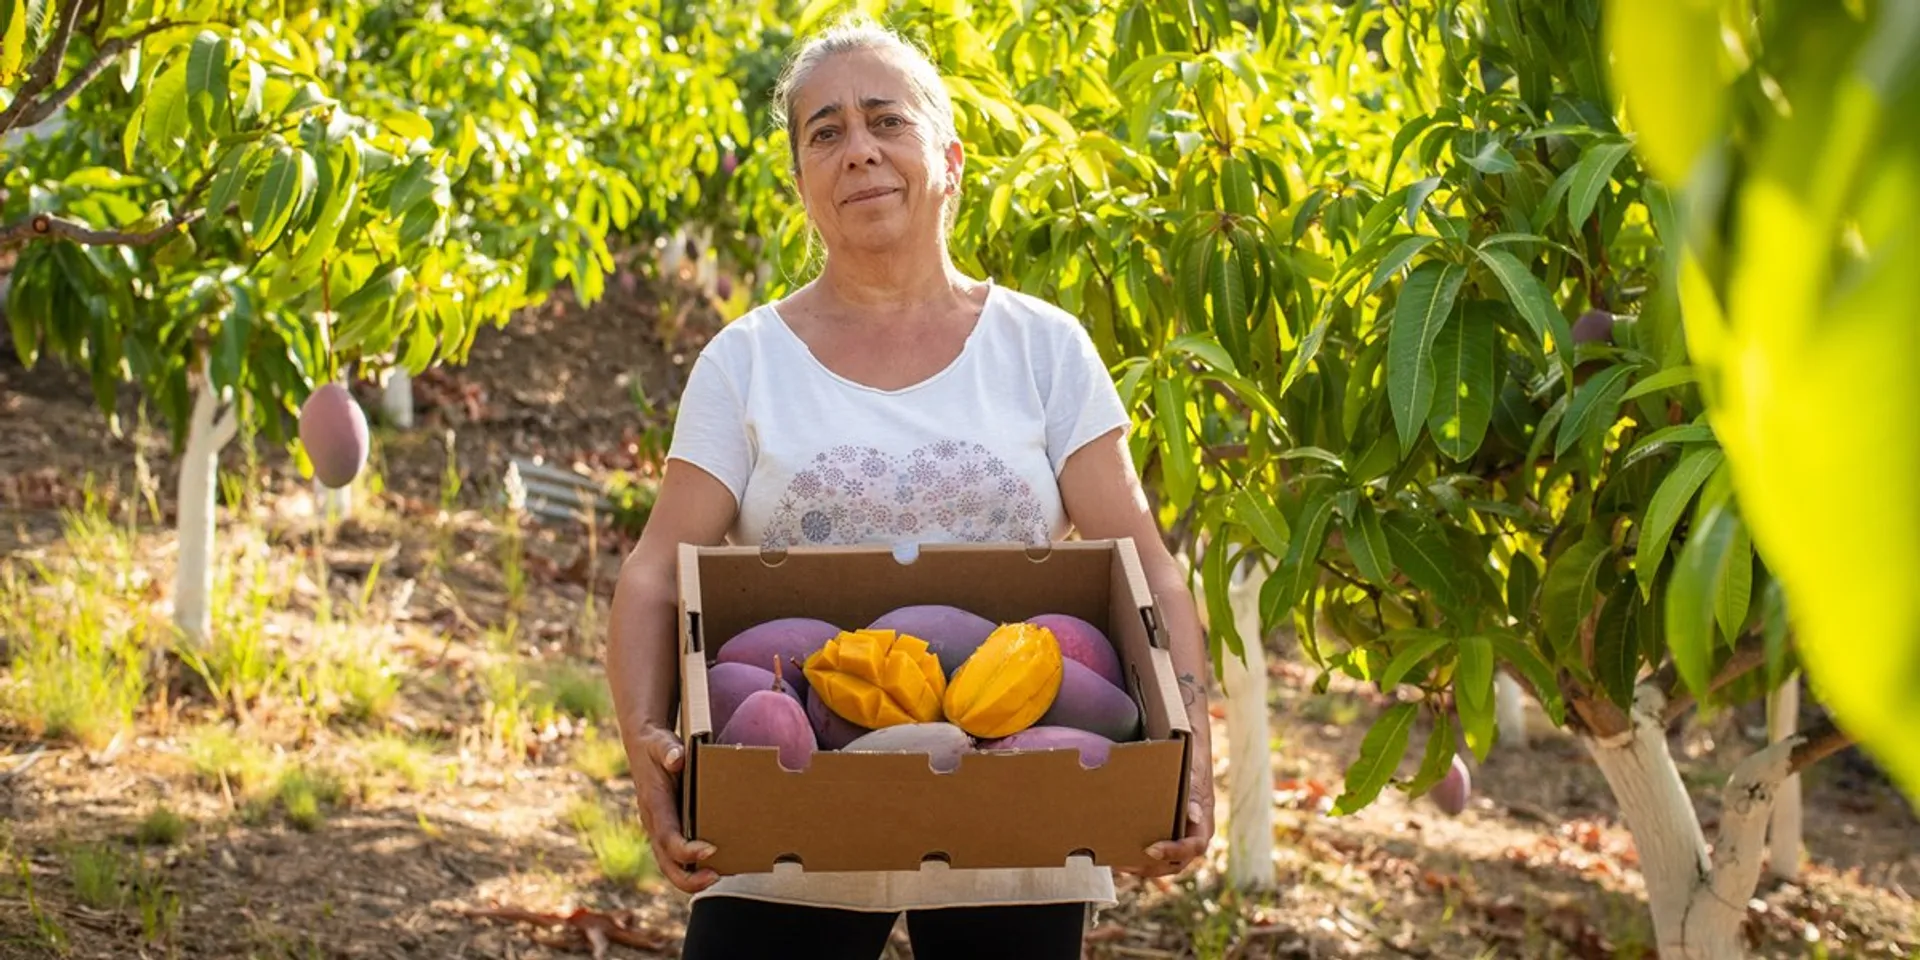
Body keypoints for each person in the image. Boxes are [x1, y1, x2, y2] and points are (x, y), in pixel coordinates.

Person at [606, 15, 1217, 959]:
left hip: (1014, 820)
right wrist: (647, 745)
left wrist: (1191, 756)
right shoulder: (746, 362)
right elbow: (654, 572)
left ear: (950, 157)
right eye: (825, 132)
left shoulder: (1044, 350)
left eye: (886, 120)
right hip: (789, 817)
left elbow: (1146, 566)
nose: (859, 150)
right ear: (801, 182)